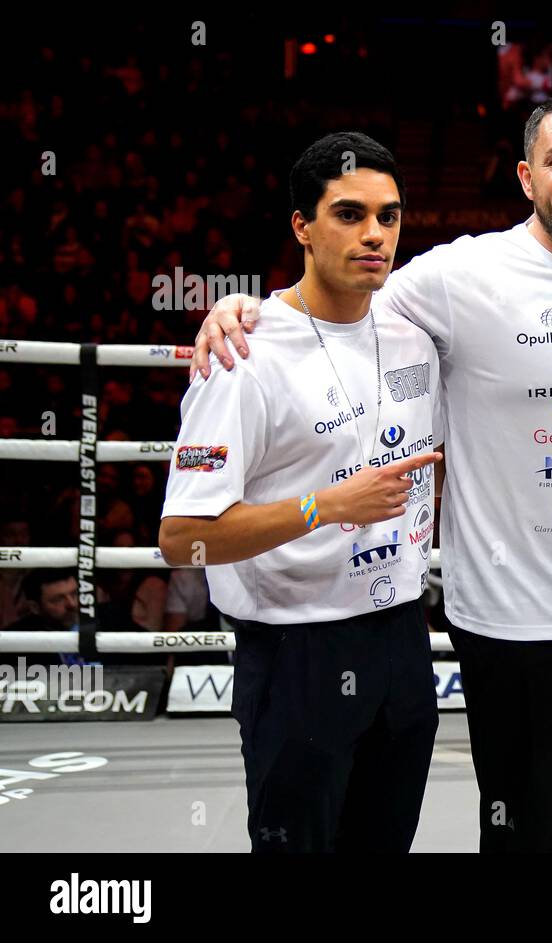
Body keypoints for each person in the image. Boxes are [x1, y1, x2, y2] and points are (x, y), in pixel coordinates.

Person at [188, 92, 552, 853]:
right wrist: (241, 311)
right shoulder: (460, 276)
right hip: (514, 626)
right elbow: (329, 300)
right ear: (527, 176)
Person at [159, 132, 443, 853]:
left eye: (389, 215)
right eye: (349, 214)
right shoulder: (243, 354)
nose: (374, 234)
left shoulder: (419, 333)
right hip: (296, 652)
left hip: (404, 639)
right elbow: (182, 536)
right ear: (302, 226)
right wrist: (326, 506)